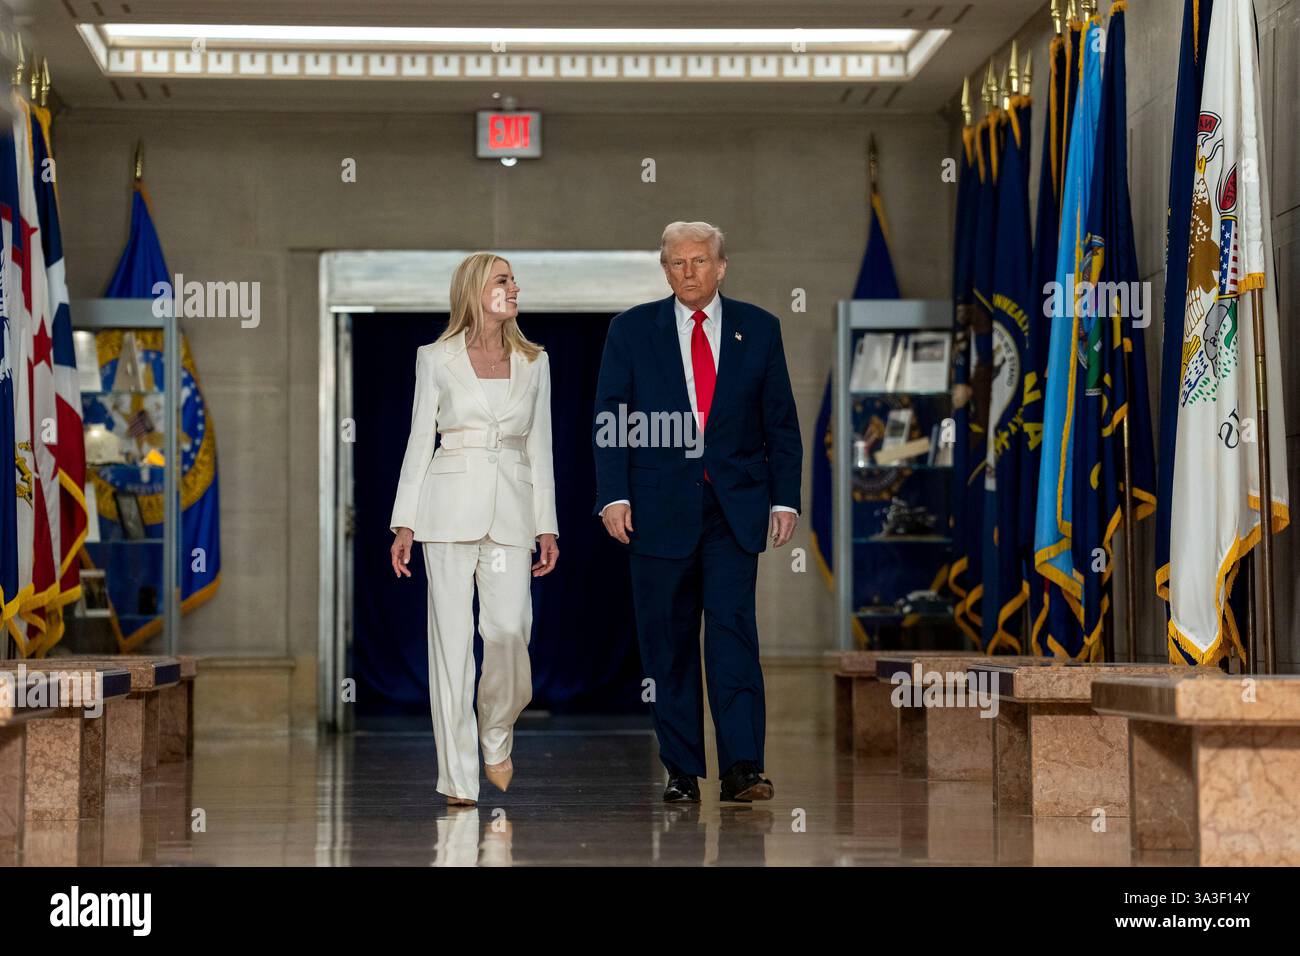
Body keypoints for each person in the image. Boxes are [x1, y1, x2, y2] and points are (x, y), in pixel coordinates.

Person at [592, 221, 802, 803]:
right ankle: (681, 771)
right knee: (669, 643)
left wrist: (784, 498)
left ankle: (743, 768)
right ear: (665, 270)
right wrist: (614, 495)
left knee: (733, 634)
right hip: (656, 511)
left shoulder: (759, 329)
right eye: (677, 263)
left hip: (734, 509)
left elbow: (780, 423)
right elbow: (609, 419)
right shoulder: (631, 330)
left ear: (721, 266)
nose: (689, 272)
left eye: (700, 261)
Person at [389, 252, 560, 807]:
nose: (515, 288)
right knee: (451, 650)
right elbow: (419, 440)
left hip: (512, 512)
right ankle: (458, 780)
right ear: (474, 290)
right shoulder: (434, 359)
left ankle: (496, 733)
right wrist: (405, 522)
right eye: (503, 280)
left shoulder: (536, 362)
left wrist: (547, 526)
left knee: (510, 631)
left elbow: (542, 450)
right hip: (445, 511)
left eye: (514, 280)